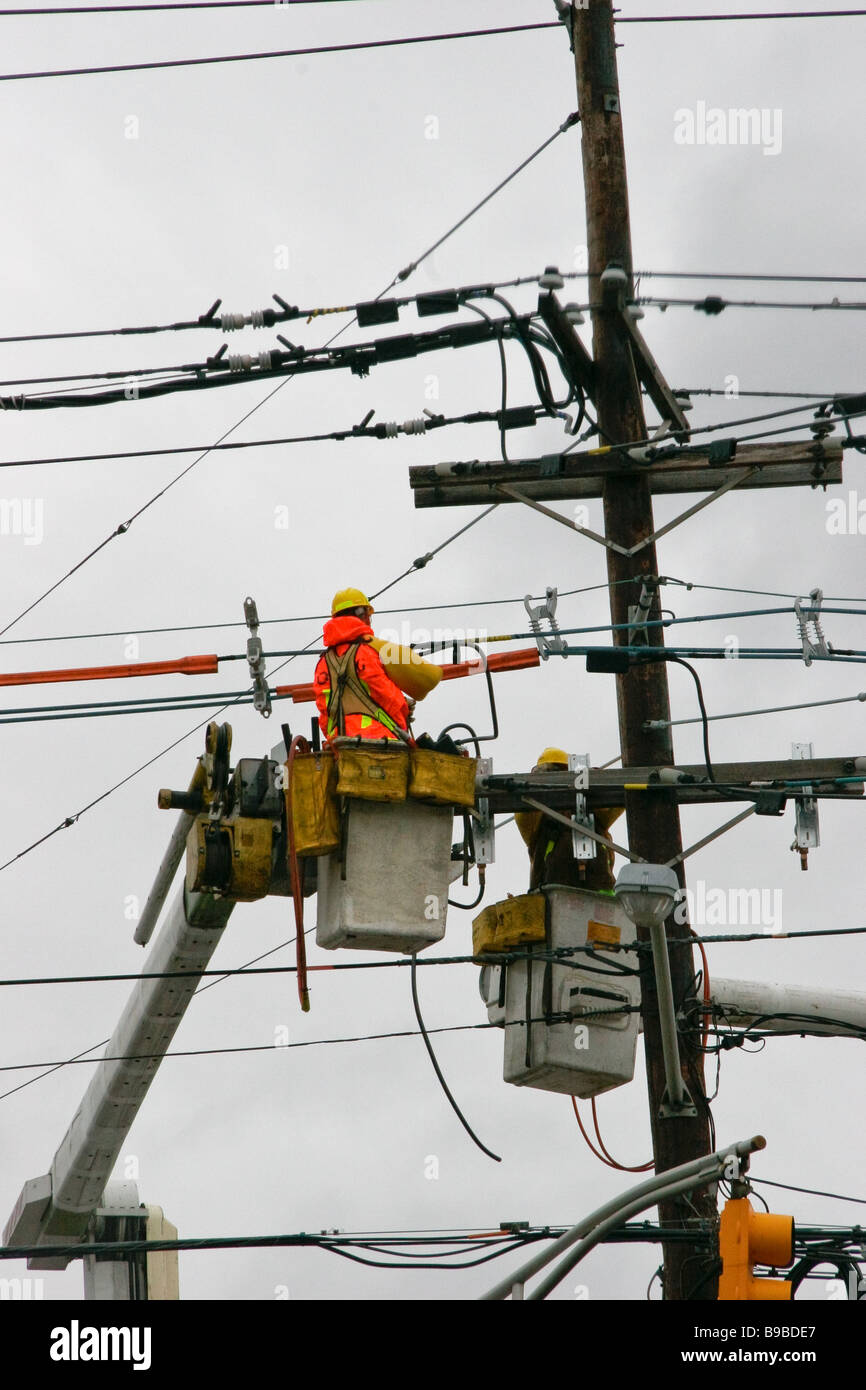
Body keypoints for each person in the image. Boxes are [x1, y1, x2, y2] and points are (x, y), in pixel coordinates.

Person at [515, 746, 624, 892]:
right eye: (552, 773)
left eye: (562, 773)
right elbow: (522, 812)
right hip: (555, 903)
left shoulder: (594, 812)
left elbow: (622, 799)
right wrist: (537, 783)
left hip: (600, 906)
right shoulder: (538, 818)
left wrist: (597, 780)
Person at [314, 588, 411, 742]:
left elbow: (325, 713)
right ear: (362, 615)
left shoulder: (323, 663)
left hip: (342, 745)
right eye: (368, 615)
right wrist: (403, 719)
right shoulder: (367, 652)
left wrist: (336, 739)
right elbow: (387, 697)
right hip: (380, 742)